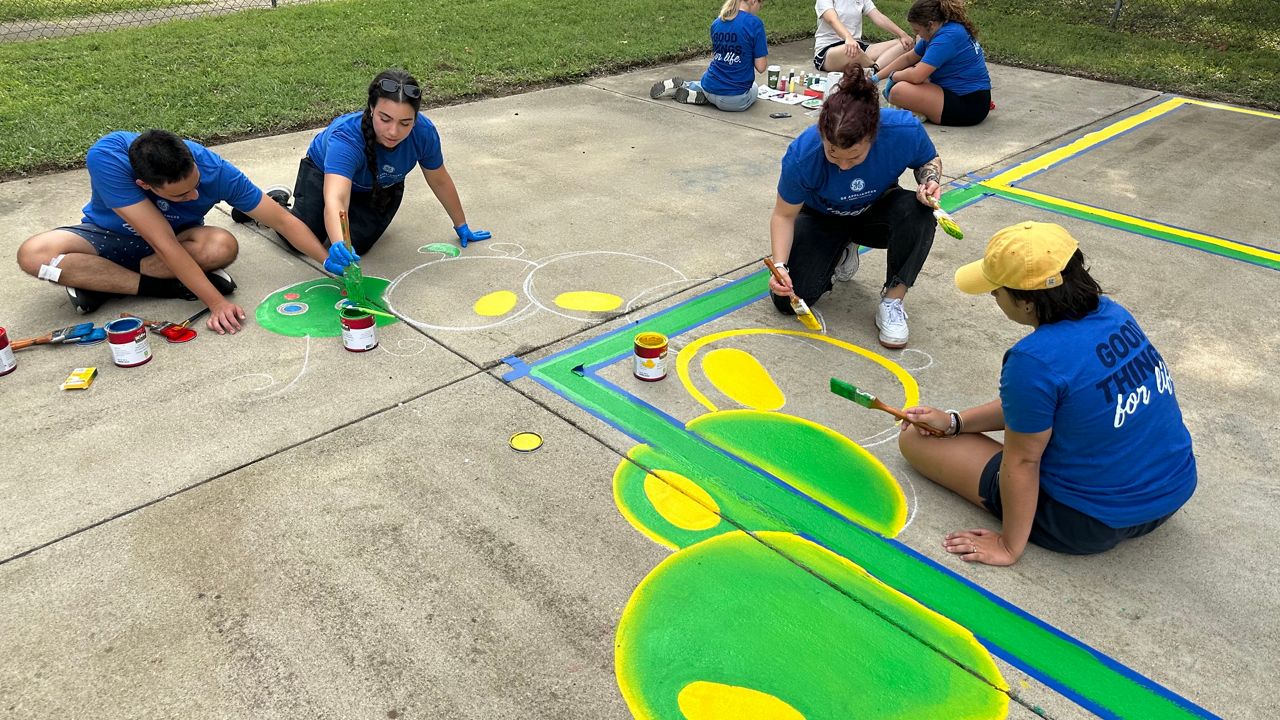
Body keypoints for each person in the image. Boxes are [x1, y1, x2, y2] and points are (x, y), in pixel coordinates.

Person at [898, 222, 1197, 566]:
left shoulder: (1034, 359)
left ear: (1026, 302)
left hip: (1086, 522)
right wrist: (955, 422)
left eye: (996, 291)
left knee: (914, 441)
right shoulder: (1114, 314)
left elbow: (1023, 460)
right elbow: (1044, 407)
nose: (994, 297)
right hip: (1173, 492)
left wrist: (1009, 546)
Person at [16, 130, 330, 333]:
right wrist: (215, 302)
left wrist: (330, 262)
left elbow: (282, 220)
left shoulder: (215, 170)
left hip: (175, 243)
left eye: (196, 186)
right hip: (106, 237)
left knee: (221, 246)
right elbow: (162, 243)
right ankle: (166, 286)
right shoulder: (107, 157)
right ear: (143, 185)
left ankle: (100, 283)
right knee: (34, 256)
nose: (193, 197)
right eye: (180, 195)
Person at [767, 70, 941, 349]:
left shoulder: (903, 131)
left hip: (875, 209)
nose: (842, 166)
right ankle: (840, 249)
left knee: (919, 211)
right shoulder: (803, 154)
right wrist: (780, 266)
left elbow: (928, 160)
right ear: (822, 133)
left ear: (874, 136)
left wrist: (930, 181)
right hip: (821, 216)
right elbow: (783, 215)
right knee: (788, 303)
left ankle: (893, 300)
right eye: (832, 153)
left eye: (855, 157)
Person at [278, 68, 491, 272]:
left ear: (415, 119)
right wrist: (340, 243)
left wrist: (461, 224)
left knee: (358, 247)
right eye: (385, 119)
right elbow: (336, 198)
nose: (393, 131)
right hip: (324, 175)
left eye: (405, 123)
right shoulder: (346, 138)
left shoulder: (424, 133)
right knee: (302, 240)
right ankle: (274, 202)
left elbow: (439, 180)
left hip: (381, 184)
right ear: (371, 109)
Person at [874, 0, 991, 126]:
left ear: (930, 25)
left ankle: (919, 111)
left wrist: (894, 75)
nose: (916, 34)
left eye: (917, 31)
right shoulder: (937, 31)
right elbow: (908, 58)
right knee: (906, 79)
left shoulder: (946, 38)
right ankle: (920, 108)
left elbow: (916, 76)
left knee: (898, 91)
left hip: (969, 105)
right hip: (955, 93)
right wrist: (876, 77)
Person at [649, 0, 768, 111]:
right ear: (753, 1)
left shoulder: (718, 22)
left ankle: (690, 87)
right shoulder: (754, 23)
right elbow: (761, 67)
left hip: (709, 88)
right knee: (754, 87)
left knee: (717, 78)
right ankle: (694, 92)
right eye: (760, 3)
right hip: (734, 100)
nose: (759, 8)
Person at [812, 0, 914, 76]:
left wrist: (902, 34)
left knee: (904, 45)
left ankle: (873, 70)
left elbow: (877, 16)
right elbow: (832, 19)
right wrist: (848, 38)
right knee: (854, 51)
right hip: (830, 50)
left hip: (857, 47)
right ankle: (875, 68)